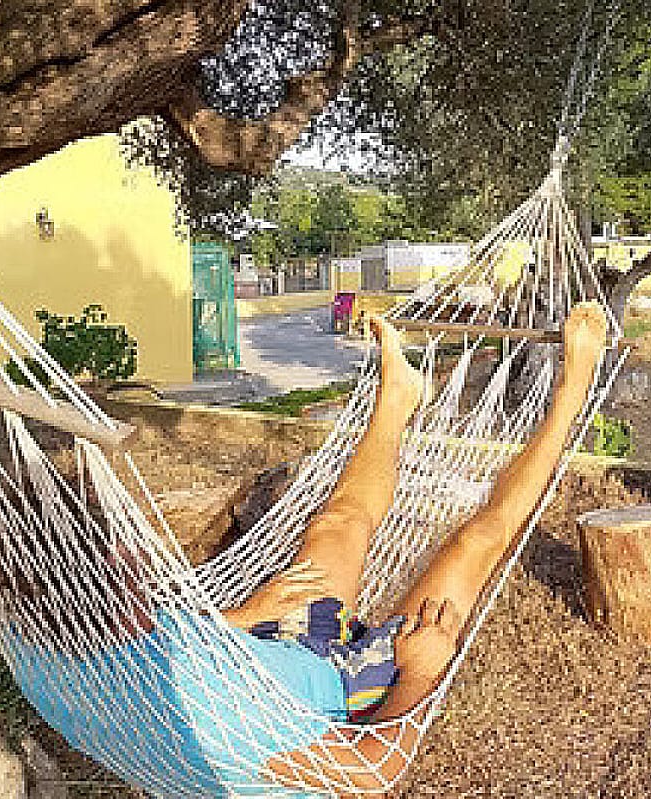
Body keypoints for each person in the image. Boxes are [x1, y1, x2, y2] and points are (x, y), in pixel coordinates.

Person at [214, 301, 609, 793]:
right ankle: (571, 398)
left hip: (271, 639)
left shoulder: (110, 661)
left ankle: (397, 397)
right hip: (345, 688)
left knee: (337, 523)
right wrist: (420, 673)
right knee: (476, 541)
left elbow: (169, 631)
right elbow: (370, 774)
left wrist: (247, 615)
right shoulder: (228, 747)